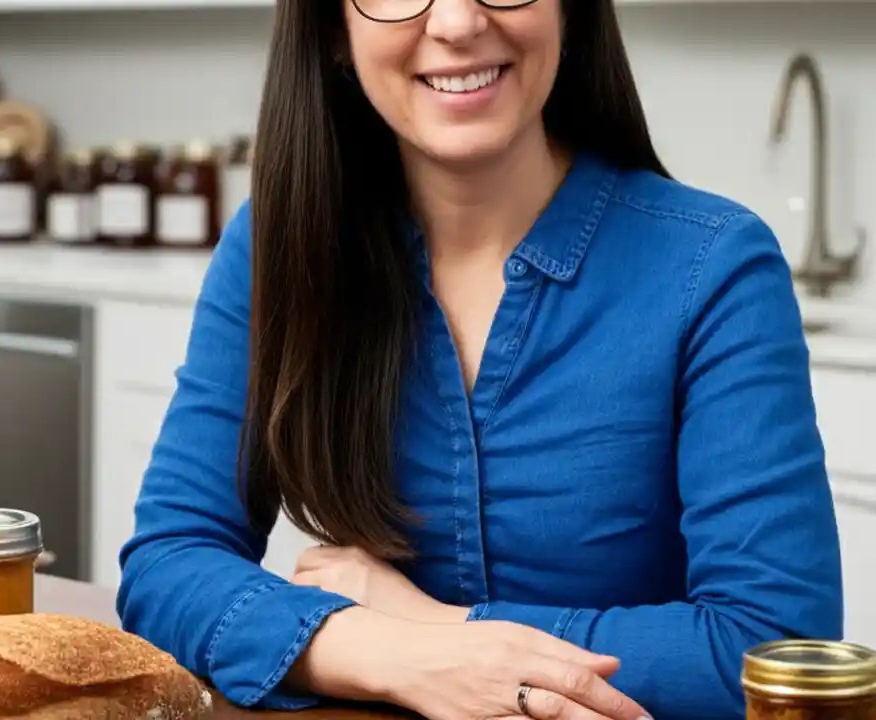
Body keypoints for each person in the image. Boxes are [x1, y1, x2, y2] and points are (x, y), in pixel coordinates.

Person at [116, 0, 844, 718]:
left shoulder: (713, 265)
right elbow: (168, 563)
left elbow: (772, 652)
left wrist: (435, 623)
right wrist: (392, 654)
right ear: (335, 29)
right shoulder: (276, 248)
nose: (458, 22)